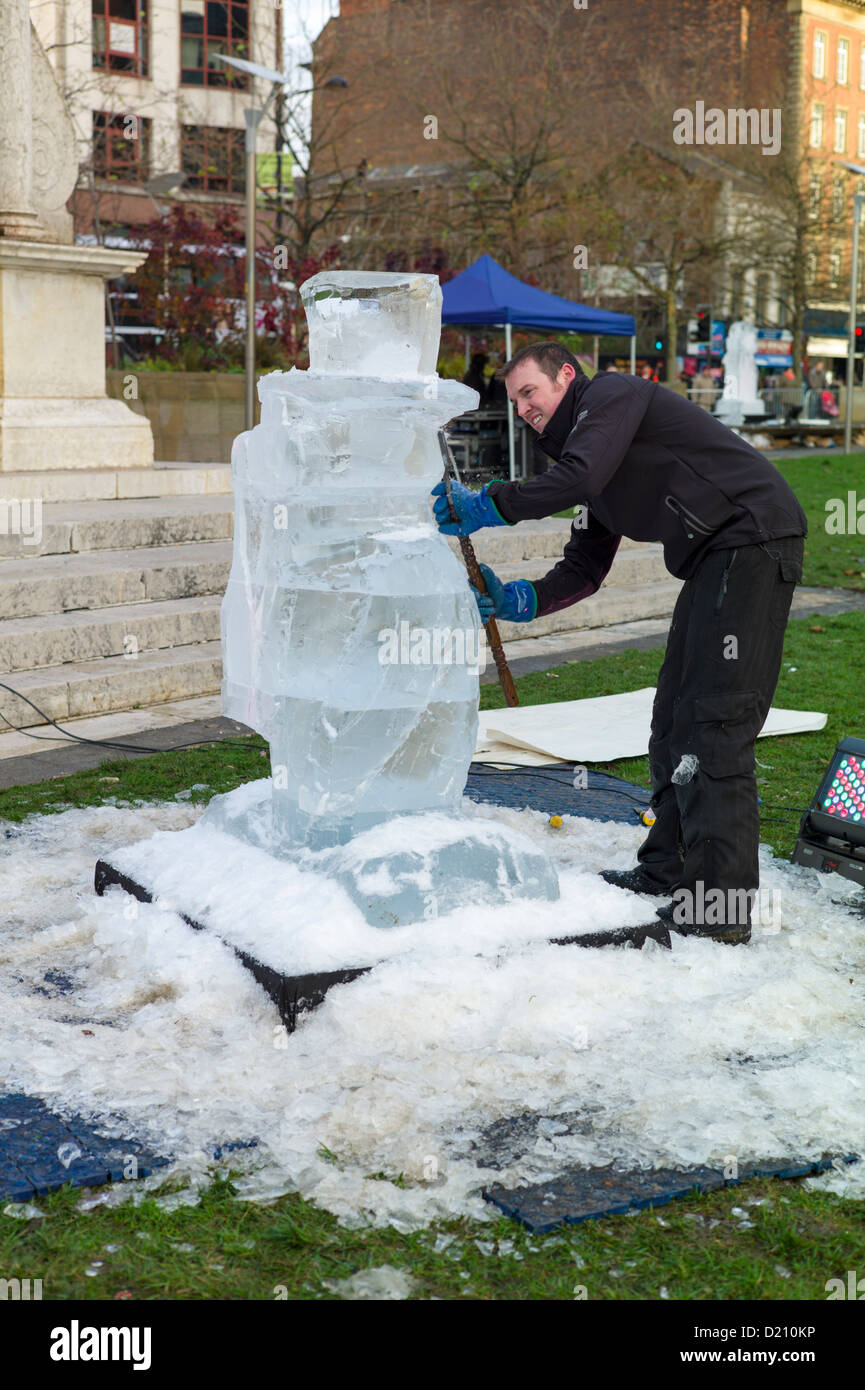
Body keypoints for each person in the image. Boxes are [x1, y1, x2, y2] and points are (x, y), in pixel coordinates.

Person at [431, 341, 806, 946]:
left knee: (714, 725)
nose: (523, 408)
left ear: (567, 377)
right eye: (515, 400)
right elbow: (584, 568)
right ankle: (669, 870)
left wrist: (491, 504)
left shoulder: (612, 397)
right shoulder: (592, 460)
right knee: (670, 723)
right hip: (716, 558)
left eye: (530, 391)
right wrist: (520, 600)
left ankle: (720, 912)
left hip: (754, 539)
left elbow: (574, 477)